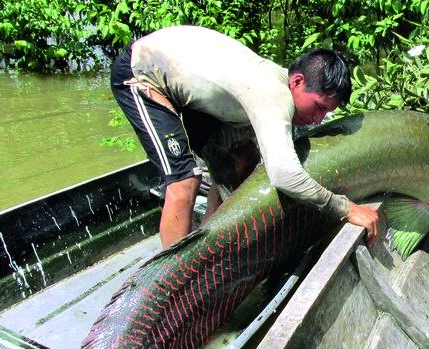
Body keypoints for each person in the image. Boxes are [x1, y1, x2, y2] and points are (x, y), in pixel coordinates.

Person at [111, 25, 379, 249]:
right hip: (144, 75)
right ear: (297, 82)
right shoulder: (272, 95)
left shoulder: (277, 85)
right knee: (185, 179)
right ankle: (174, 285)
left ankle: (206, 241)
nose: (318, 119)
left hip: (192, 86)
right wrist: (346, 208)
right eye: (319, 107)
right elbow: (284, 176)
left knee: (244, 158)